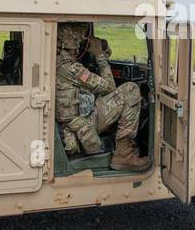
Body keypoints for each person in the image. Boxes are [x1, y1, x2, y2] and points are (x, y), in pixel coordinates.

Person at [54, 22, 149, 171]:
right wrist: (99, 55)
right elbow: (110, 87)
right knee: (131, 90)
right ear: (70, 40)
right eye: (79, 37)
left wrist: (102, 51)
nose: (82, 40)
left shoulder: (56, 61)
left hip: (68, 122)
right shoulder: (71, 69)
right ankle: (124, 155)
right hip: (79, 124)